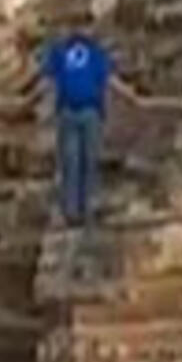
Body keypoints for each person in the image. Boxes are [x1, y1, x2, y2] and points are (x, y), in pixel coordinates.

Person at [40, 32, 113, 227]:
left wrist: (26, 102)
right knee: (86, 160)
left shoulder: (61, 51)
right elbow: (108, 81)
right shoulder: (95, 53)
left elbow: (47, 83)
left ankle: (75, 209)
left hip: (72, 112)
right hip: (85, 112)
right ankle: (84, 207)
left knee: (73, 161)